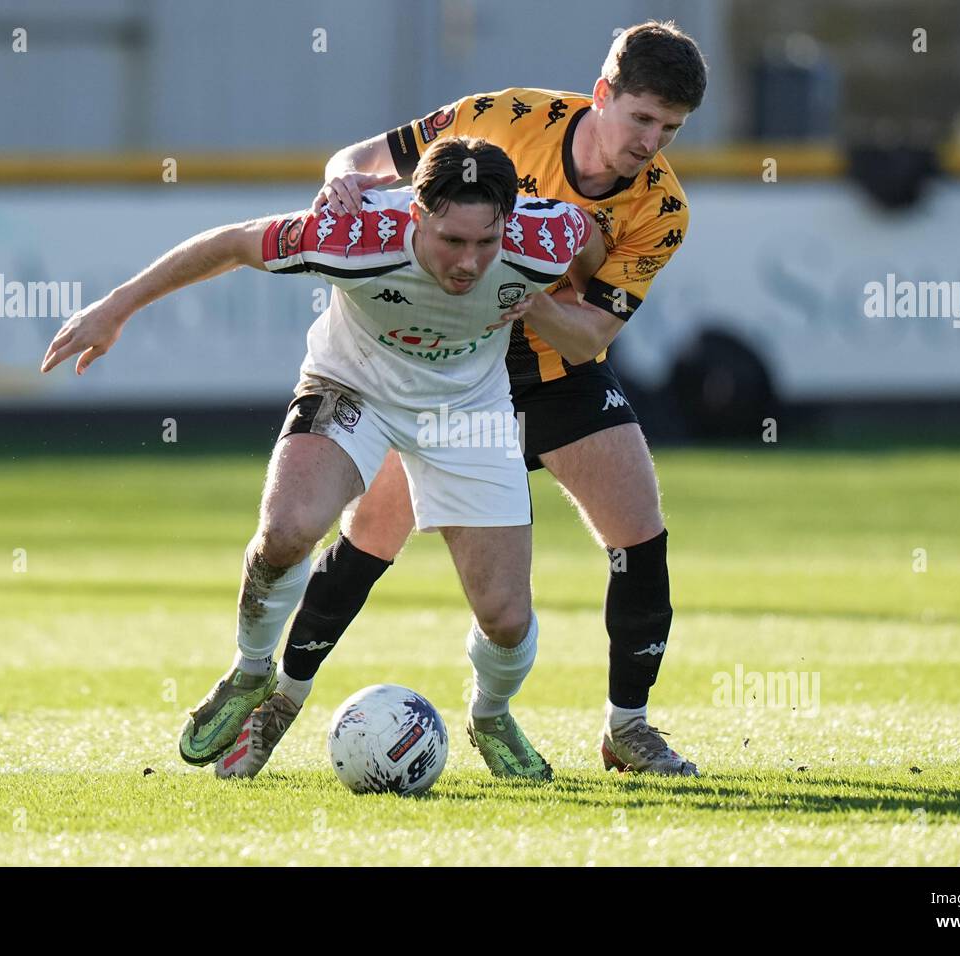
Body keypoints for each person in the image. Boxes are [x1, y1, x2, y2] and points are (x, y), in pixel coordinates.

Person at [39, 137, 604, 781]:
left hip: (468, 413)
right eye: (451, 240)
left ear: (508, 221)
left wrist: (577, 296)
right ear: (415, 215)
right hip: (352, 386)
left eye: (486, 242)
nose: (470, 263)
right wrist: (116, 308)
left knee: (506, 619)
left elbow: (590, 240)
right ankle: (251, 671)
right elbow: (232, 243)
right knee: (285, 533)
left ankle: (492, 713)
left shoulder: (543, 237)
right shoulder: (355, 235)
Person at [274, 20, 708, 776]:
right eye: (641, 118)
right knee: (370, 536)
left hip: (555, 372)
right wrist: (342, 177)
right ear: (603, 94)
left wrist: (530, 302)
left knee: (640, 531)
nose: (651, 142)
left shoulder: (662, 210)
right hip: (448, 367)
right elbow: (361, 158)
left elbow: (587, 339)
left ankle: (628, 729)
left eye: (670, 129)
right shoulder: (505, 119)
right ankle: (279, 699)